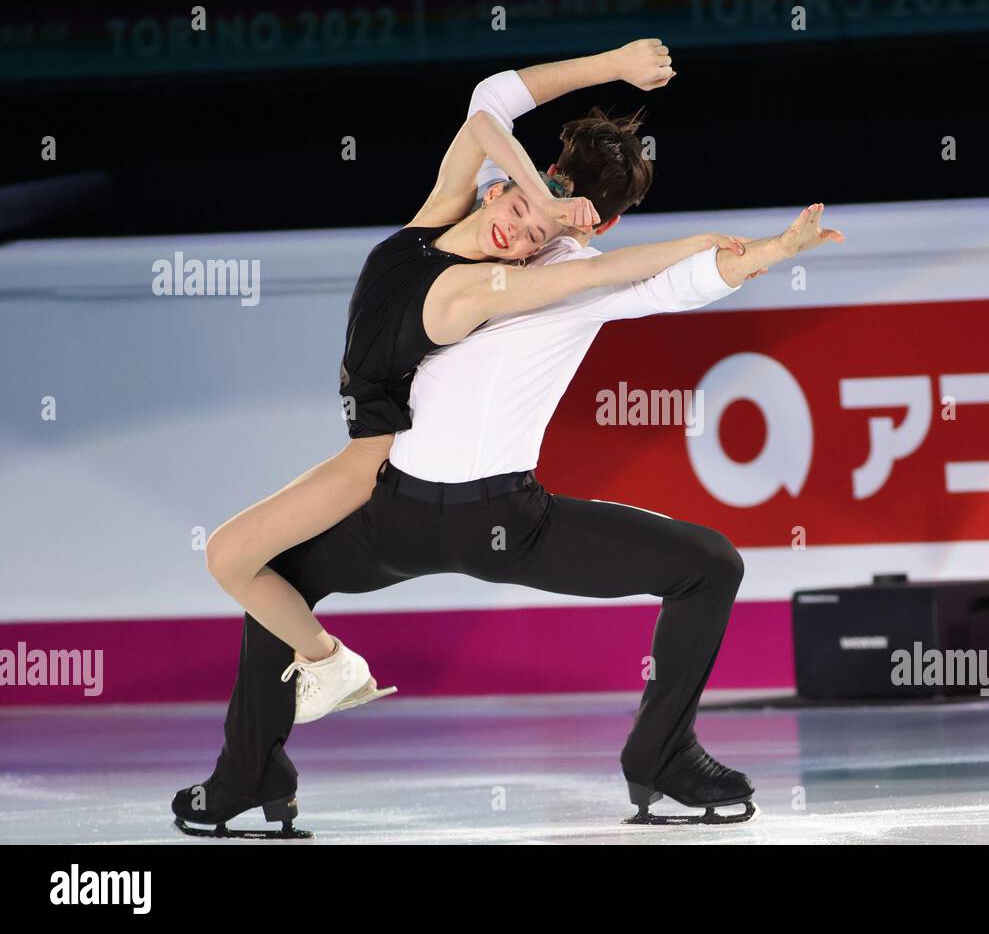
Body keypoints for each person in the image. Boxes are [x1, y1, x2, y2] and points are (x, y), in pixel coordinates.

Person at [200, 39, 747, 725]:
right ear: (501, 187)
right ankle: (319, 673)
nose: (514, 230)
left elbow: (597, 275)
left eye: (526, 235)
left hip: (371, 454)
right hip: (377, 440)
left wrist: (702, 246)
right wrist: (607, 77)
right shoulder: (440, 214)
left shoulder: (483, 286)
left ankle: (324, 661)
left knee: (229, 557)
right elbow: (487, 116)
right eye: (514, 208)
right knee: (240, 562)